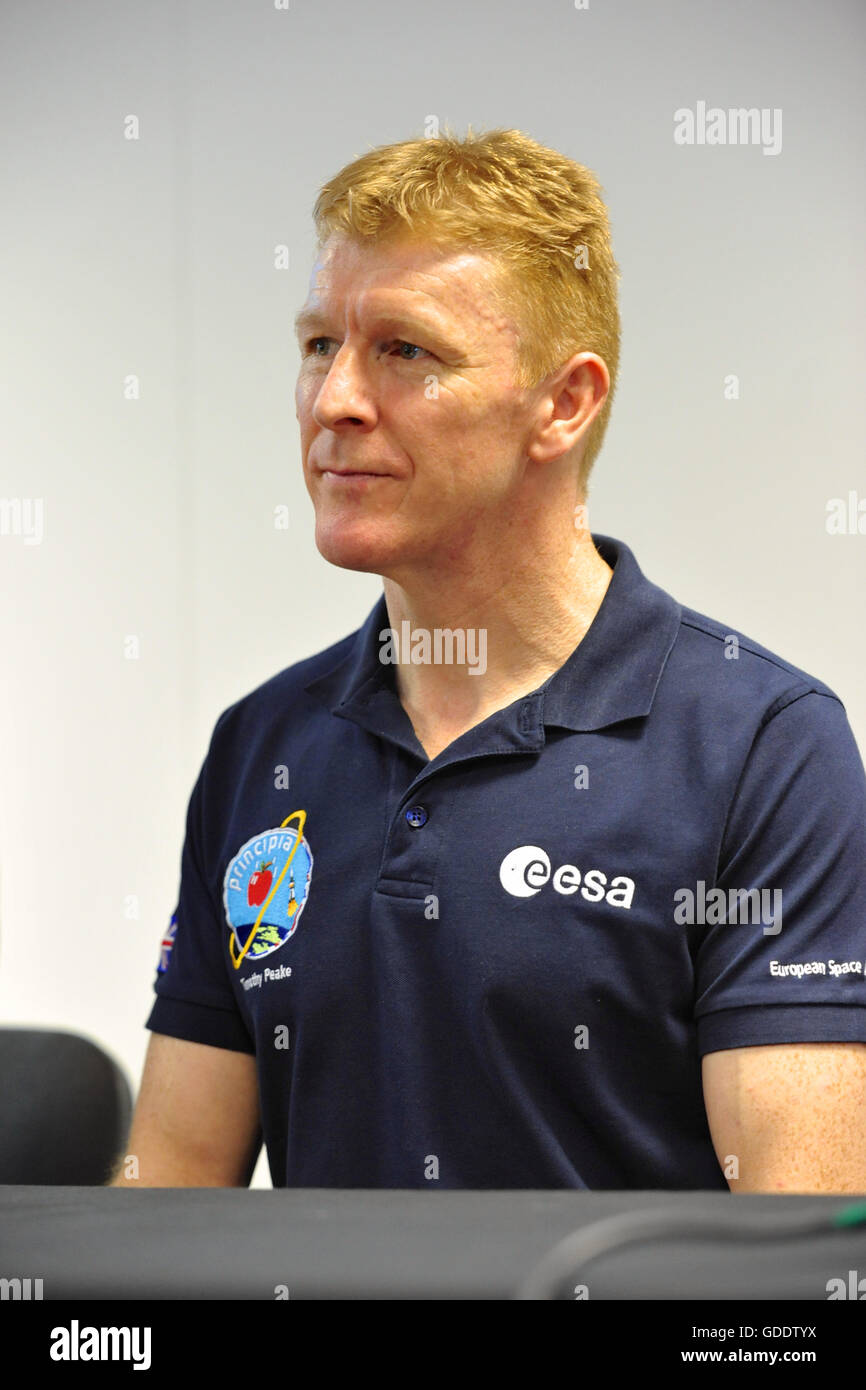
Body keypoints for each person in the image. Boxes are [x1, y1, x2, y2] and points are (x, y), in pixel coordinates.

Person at [110, 128, 866, 1192]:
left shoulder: (759, 746)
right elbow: (172, 1189)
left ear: (562, 402)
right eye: (320, 344)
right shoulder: (264, 744)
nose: (335, 402)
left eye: (405, 352)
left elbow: (797, 1258)